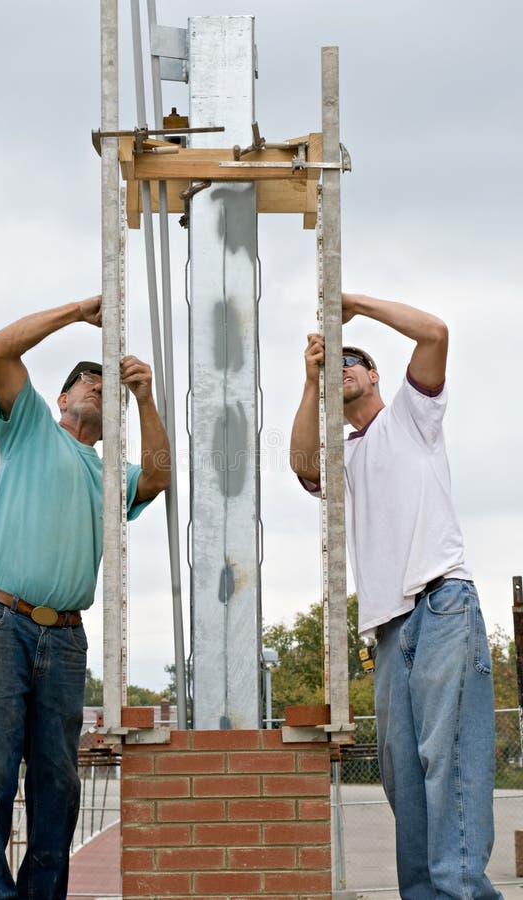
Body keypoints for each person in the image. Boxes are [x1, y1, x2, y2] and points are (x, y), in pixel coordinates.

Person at [0, 294, 170, 899]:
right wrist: (79, 313)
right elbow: (0, 346)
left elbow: (159, 474)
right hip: (0, 620)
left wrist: (145, 398)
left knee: (58, 786)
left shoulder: (112, 474)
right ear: (63, 397)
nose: (98, 386)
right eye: (86, 380)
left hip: (66, 637)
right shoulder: (29, 427)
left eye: (108, 383)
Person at [290, 292, 501, 899]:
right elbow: (304, 463)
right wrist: (312, 381)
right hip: (387, 630)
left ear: (376, 373)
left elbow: (434, 332)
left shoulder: (414, 415)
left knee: (452, 766)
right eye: (337, 367)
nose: (344, 369)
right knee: (404, 780)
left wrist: (354, 305)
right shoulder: (347, 453)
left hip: (440, 607)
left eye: (353, 361)